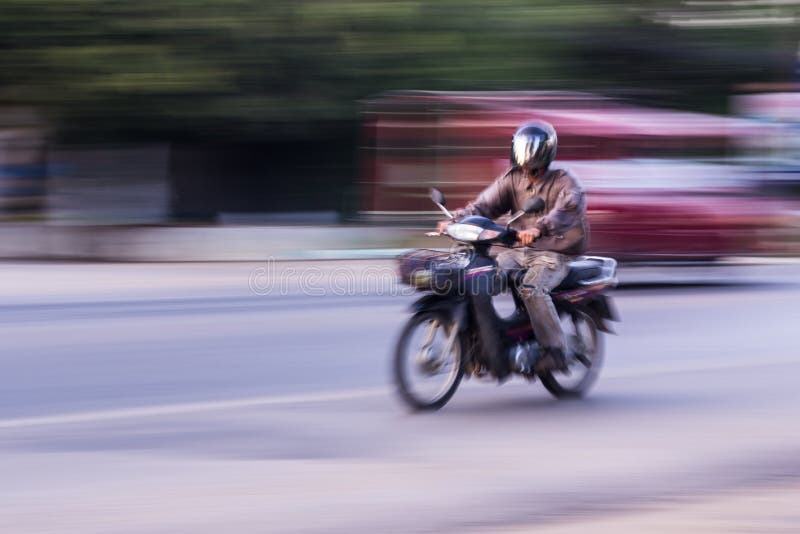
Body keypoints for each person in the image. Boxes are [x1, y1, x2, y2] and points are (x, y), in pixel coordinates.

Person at [437, 121, 589, 373]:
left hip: (554, 252)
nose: (526, 160)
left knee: (531, 289)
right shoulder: (512, 179)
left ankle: (555, 349)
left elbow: (567, 210)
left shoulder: (564, 182)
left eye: (532, 150)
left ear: (545, 153)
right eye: (522, 149)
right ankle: (488, 341)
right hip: (519, 251)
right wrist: (456, 219)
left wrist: (540, 228)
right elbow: (483, 205)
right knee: (484, 278)